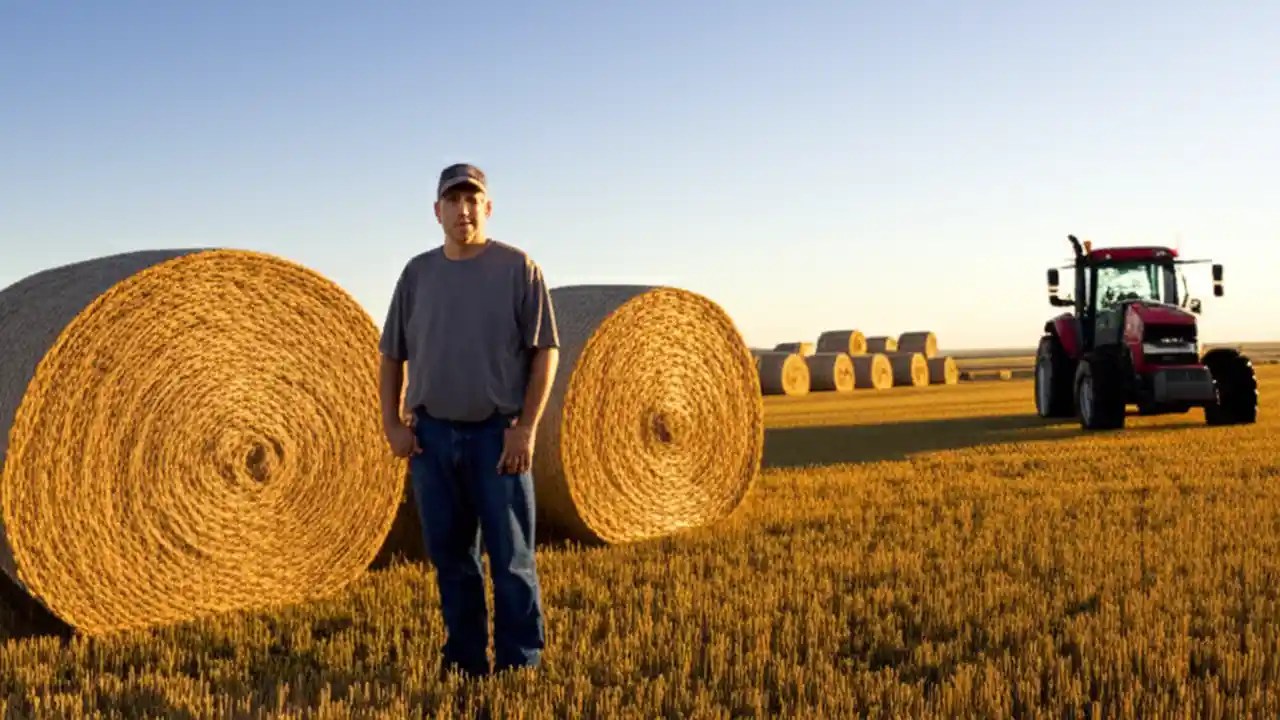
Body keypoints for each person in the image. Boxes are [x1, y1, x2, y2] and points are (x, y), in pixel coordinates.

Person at [378, 162, 560, 678]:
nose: (463, 210)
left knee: (512, 562)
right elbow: (391, 354)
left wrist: (525, 426)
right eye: (453, 201)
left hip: (496, 436)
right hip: (432, 439)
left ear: (488, 207)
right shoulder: (417, 274)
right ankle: (463, 661)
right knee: (453, 562)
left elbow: (545, 351)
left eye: (472, 200)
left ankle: (520, 665)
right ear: (437, 211)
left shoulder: (518, 269)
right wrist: (392, 424)